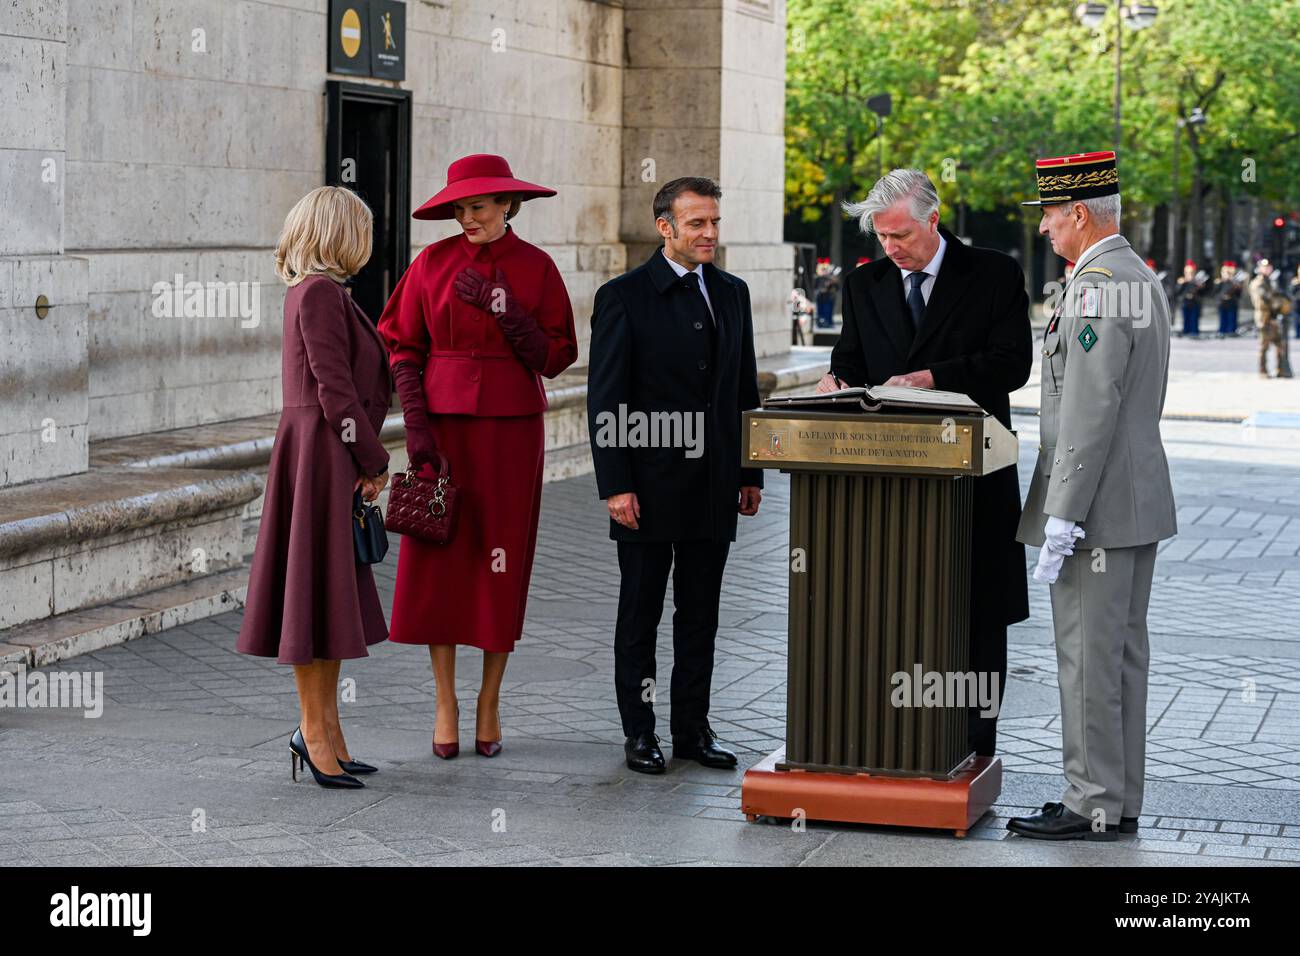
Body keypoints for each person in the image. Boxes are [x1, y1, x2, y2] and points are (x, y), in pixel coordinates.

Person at [815, 168, 1032, 758]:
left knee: (976, 612)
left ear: (933, 220)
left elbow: (1012, 364)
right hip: (891, 483)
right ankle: (897, 737)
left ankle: (974, 742)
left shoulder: (993, 273)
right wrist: (834, 383)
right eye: (881, 238)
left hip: (974, 477)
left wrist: (934, 377)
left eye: (901, 236)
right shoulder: (866, 285)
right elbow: (851, 361)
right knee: (896, 604)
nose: (890, 249)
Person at [378, 154, 578, 759]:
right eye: (460, 208)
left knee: (500, 564)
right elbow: (402, 346)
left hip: (511, 433)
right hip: (440, 428)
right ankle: (446, 702)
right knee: (441, 563)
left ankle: (490, 699)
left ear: (508, 206)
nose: (468, 217)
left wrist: (506, 310)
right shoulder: (431, 263)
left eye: (480, 206)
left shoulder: (536, 267)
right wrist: (415, 428)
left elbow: (555, 355)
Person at [1007, 150, 1177, 841]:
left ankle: (1090, 802)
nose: (1044, 229)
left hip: (1096, 510)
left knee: (1085, 657)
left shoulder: (1096, 285)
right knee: (1120, 657)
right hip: (1132, 503)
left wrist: (1063, 517)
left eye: (1049, 216)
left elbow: (1088, 407)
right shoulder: (1135, 275)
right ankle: (1116, 796)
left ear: (1078, 213)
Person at [586, 176, 764, 774]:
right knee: (640, 615)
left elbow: (744, 389)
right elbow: (605, 398)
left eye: (714, 222)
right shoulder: (624, 296)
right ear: (665, 227)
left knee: (700, 614)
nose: (709, 233)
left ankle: (692, 728)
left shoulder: (733, 293)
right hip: (646, 486)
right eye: (696, 224)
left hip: (713, 486)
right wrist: (616, 483)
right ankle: (640, 732)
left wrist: (750, 472)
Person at [236, 186, 392, 789]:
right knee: (310, 599)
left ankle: (326, 733)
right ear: (341, 233)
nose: (368, 242)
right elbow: (334, 389)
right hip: (324, 452)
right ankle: (314, 733)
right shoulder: (321, 294)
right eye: (361, 228)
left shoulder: (317, 292)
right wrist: (373, 460)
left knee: (325, 600)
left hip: (321, 450)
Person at [1250, 259, 1292, 379]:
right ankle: (1263, 371)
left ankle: (1281, 370)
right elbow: (1263, 301)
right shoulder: (1257, 283)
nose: (1268, 269)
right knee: (1264, 346)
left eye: (1269, 267)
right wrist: (1278, 304)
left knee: (1280, 346)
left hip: (1274, 318)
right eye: (1265, 267)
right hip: (1264, 318)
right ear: (1259, 269)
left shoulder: (1271, 282)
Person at [1175, 259, 1206, 337]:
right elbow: (1178, 292)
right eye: (1187, 273)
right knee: (1185, 318)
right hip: (1185, 302)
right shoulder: (1182, 281)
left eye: (1191, 273)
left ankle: (1194, 331)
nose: (1189, 275)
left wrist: (1199, 286)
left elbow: (1202, 293)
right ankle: (1186, 331)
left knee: (1194, 318)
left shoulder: (1197, 282)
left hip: (1195, 302)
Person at [1214, 261, 1243, 337]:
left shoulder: (1235, 283)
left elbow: (1238, 294)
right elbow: (1215, 292)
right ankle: (1222, 330)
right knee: (1222, 318)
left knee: (1232, 317)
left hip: (1232, 302)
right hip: (1222, 302)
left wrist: (1237, 287)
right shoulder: (1219, 282)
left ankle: (1231, 330)